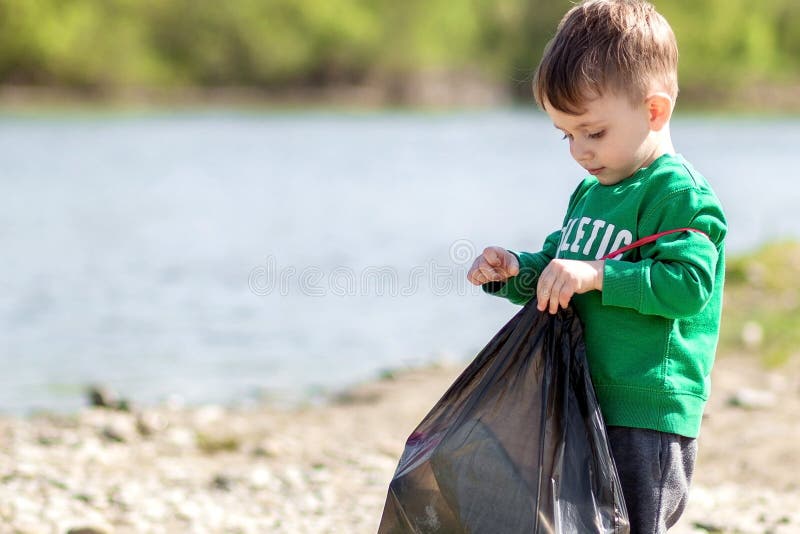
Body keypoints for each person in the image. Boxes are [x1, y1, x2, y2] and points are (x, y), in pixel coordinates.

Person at [466, 1, 726, 532]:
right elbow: (562, 271)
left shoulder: (680, 196)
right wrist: (515, 269)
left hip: (645, 408)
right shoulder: (591, 192)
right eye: (567, 135)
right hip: (581, 396)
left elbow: (690, 285)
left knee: (629, 522)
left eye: (594, 132)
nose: (580, 151)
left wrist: (600, 275)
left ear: (653, 111)